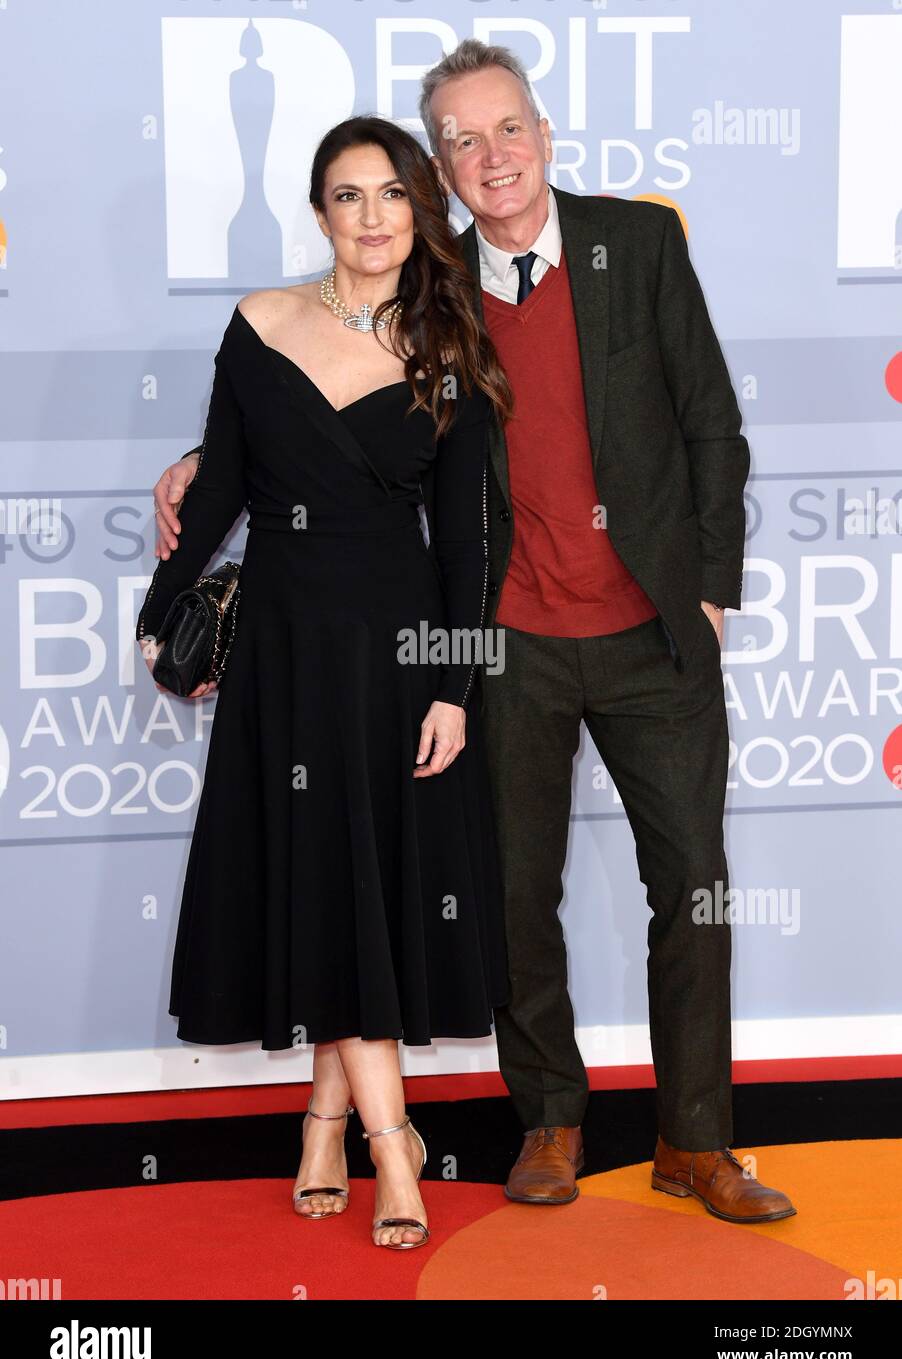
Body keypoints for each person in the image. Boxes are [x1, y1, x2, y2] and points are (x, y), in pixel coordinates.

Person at [155, 41, 795, 1224]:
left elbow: (712, 423)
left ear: (543, 137)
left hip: (652, 631)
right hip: (500, 641)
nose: (488, 156)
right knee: (510, 894)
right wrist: (202, 463)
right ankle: (547, 1117)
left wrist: (707, 583)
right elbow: (313, 398)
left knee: (692, 887)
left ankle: (694, 1140)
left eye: (506, 130)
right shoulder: (432, 283)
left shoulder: (634, 244)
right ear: (438, 167)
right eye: (458, 139)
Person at [136, 114, 514, 1250]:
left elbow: (472, 538)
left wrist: (458, 687)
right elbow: (218, 491)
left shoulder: (455, 341)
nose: (371, 217)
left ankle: (337, 1128)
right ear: (317, 214)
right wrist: (159, 617)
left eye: (391, 194)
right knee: (323, 880)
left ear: (420, 209)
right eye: (347, 197)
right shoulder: (259, 325)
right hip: (289, 650)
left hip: (400, 654)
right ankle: (376, 1141)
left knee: (362, 888)